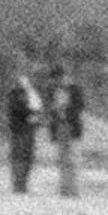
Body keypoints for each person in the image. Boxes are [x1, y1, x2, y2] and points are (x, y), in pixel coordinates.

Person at [43, 62, 86, 199]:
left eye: (56, 79)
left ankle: (74, 190)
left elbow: (80, 106)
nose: (55, 82)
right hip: (59, 126)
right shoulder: (52, 90)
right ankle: (64, 190)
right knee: (62, 159)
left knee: (72, 159)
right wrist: (54, 111)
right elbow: (48, 107)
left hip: (71, 126)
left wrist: (65, 110)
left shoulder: (75, 89)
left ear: (62, 76)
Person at [4, 73, 41, 194]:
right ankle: (18, 185)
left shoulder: (31, 94)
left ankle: (23, 185)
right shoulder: (14, 95)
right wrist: (31, 113)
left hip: (29, 130)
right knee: (19, 157)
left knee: (27, 158)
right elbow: (17, 109)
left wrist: (35, 116)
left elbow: (38, 109)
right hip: (20, 130)